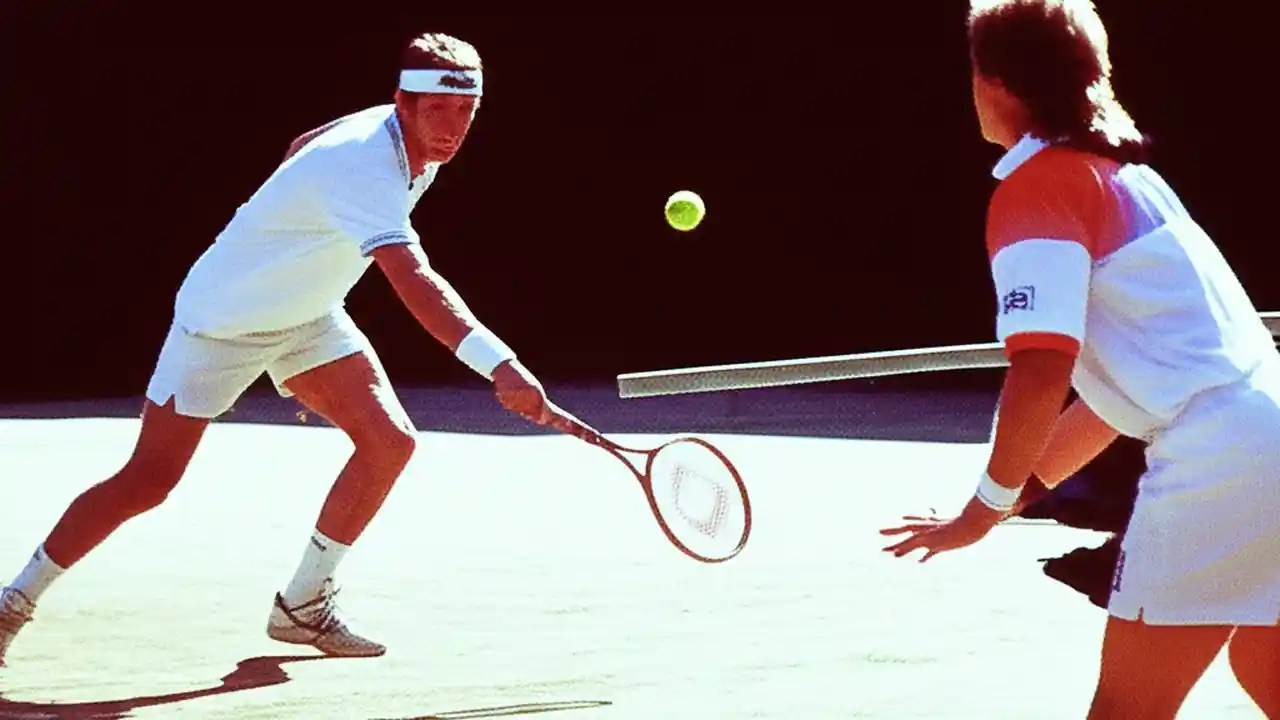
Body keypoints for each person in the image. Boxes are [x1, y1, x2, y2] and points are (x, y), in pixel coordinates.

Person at [0, 32, 580, 663]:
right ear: (403, 104)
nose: (452, 127)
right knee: (148, 480)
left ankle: (302, 605)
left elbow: (300, 147)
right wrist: (502, 365)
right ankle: (13, 603)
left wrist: (291, 222)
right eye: (437, 111)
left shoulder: (396, 138)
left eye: (466, 111)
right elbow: (415, 282)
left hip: (306, 315)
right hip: (220, 321)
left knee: (389, 442)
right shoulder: (365, 165)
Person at [880, 1, 1280, 717]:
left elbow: (1042, 369)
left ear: (995, 82)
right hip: (1268, 436)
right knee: (1266, 666)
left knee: (1127, 711)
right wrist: (1013, 497)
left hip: (1217, 465)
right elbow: (1114, 398)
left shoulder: (1037, 189)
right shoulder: (1131, 178)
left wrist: (983, 509)